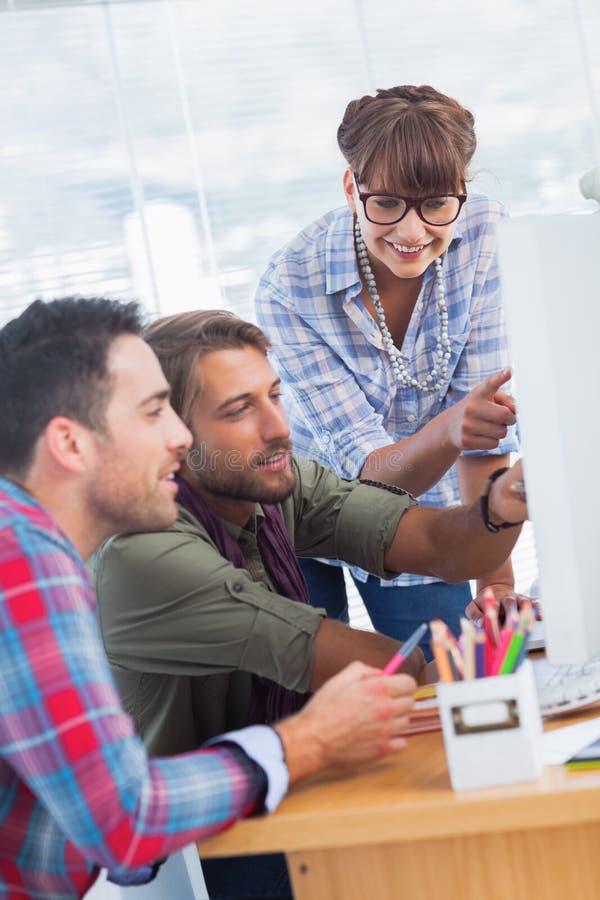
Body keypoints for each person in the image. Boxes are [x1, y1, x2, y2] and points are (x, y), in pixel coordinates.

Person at [0, 297, 421, 900]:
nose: (179, 436)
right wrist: (306, 741)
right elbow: (124, 822)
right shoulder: (22, 561)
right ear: (70, 444)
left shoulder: (31, 549)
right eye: (152, 414)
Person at [93, 308, 527, 768]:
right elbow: (379, 665)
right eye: (240, 409)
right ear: (170, 434)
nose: (279, 428)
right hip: (193, 825)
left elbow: (441, 546)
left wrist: (499, 504)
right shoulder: (141, 551)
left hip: (281, 782)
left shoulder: (275, 484)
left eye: (274, 396)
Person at [254, 84, 524, 655]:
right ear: (352, 188)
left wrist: (495, 581)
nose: (411, 231)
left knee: (448, 663)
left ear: (462, 192)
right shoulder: (290, 286)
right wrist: (453, 427)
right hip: (302, 499)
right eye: (386, 203)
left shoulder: (486, 235)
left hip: (428, 503)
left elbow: (484, 429)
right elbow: (371, 473)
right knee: (311, 680)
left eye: (435, 204)